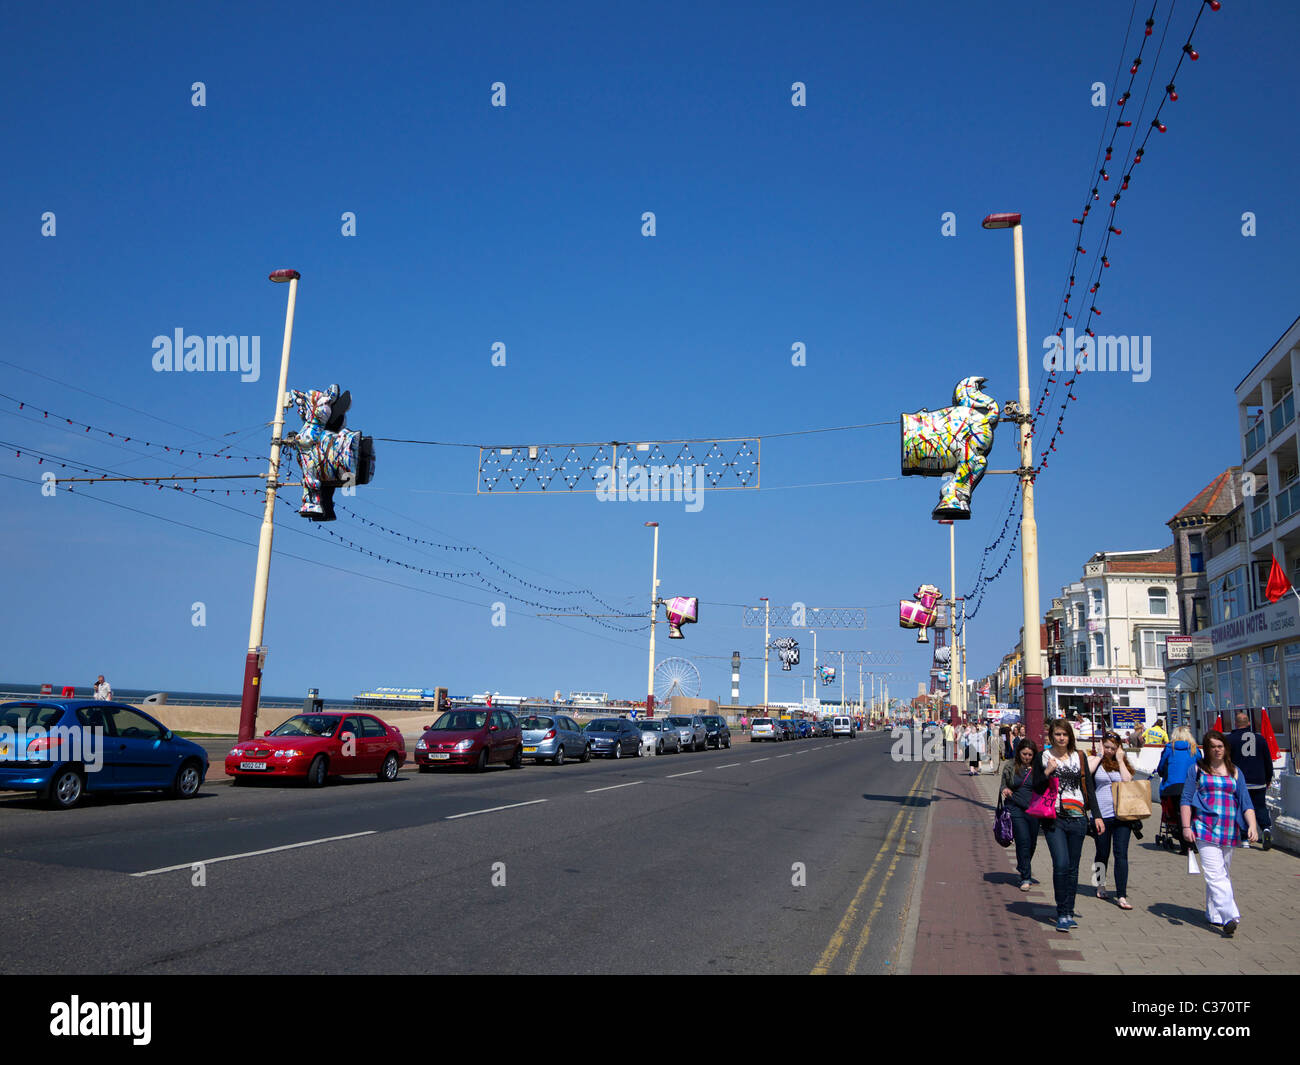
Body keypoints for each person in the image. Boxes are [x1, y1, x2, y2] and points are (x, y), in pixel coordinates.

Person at [1181, 730, 1258, 936]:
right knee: (1215, 873)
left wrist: (1252, 825)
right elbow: (1186, 799)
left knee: (1222, 873)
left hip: (1230, 830)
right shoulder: (1196, 769)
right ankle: (1229, 916)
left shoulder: (1235, 771)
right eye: (1212, 747)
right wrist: (1186, 827)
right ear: (1206, 749)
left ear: (1226, 748)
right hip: (1204, 827)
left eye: (1220, 746)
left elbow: (1245, 801)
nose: (1217, 750)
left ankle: (1214, 913)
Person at [1033, 719, 1104, 933]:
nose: (1061, 738)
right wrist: (1047, 771)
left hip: (1078, 818)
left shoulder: (1079, 756)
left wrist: (1097, 816)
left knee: (1073, 868)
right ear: (1052, 736)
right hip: (1054, 818)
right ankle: (1062, 911)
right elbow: (1036, 786)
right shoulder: (1043, 757)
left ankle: (1068, 911)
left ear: (1070, 736)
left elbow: (1089, 787)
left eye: (1064, 734)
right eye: (1057, 734)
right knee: (1061, 864)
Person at [1087, 731, 1138, 910]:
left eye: (1113, 748)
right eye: (1107, 747)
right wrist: (1100, 755)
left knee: (1121, 854)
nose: (1109, 750)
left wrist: (1121, 760)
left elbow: (1128, 781)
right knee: (1102, 852)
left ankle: (1121, 894)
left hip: (1122, 815)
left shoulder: (1122, 763)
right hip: (1101, 815)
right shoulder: (1095, 760)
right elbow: (1087, 772)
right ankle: (1099, 884)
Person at [1227, 712, 1275, 851]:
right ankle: (1265, 828)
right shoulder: (1260, 739)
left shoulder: (1230, 739)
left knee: (1241, 808)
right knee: (1260, 807)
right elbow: (1268, 761)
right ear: (1249, 723)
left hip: (1240, 780)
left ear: (1236, 723)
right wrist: (1268, 778)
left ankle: (1244, 839)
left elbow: (1226, 761)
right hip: (1258, 780)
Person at [1001, 738, 1041, 890]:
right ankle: (1026, 877)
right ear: (1019, 753)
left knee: (1032, 843)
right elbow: (1003, 784)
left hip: (1034, 810)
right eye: (1024, 754)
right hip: (1015, 807)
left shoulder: (1038, 768)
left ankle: (1023, 866)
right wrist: (1005, 789)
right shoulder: (1010, 765)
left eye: (1030, 755)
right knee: (1023, 840)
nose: (1027, 757)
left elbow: (1045, 785)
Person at [1156, 727, 1198, 854]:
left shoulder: (1169, 748)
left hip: (1173, 787)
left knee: (1180, 815)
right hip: (1192, 785)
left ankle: (1186, 846)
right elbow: (1202, 766)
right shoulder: (1194, 749)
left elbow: (1161, 768)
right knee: (1193, 814)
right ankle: (1195, 842)